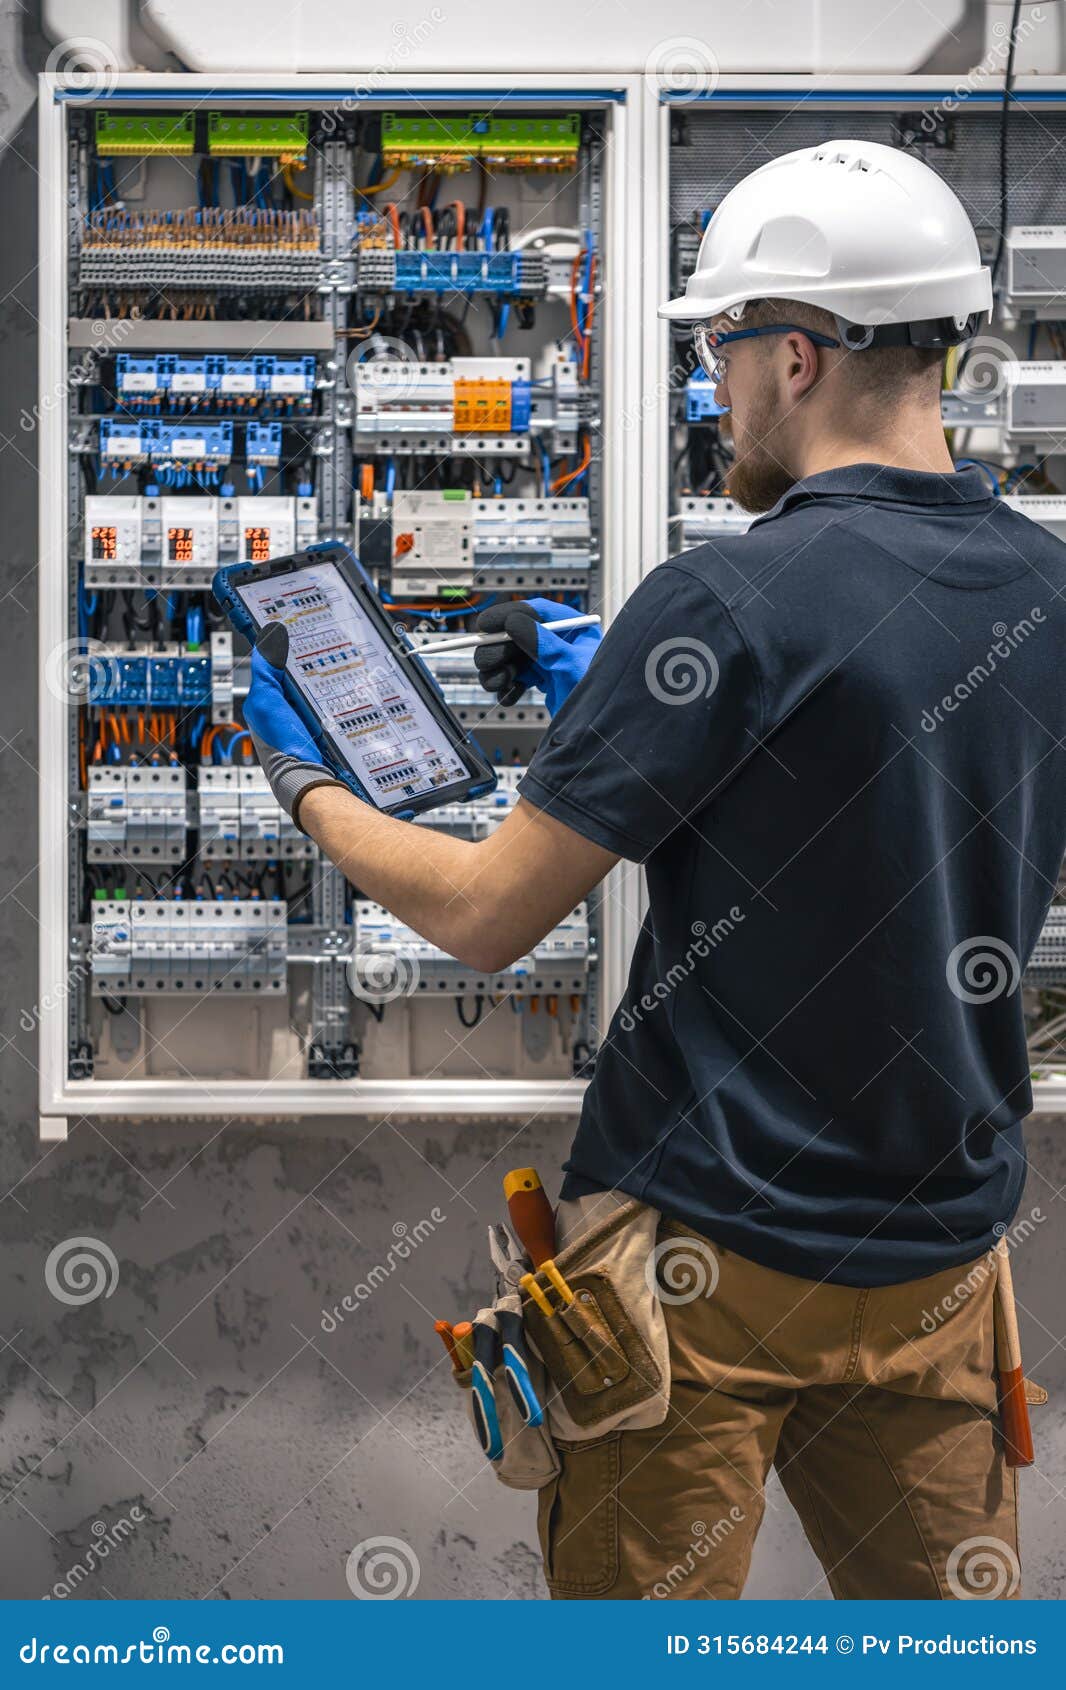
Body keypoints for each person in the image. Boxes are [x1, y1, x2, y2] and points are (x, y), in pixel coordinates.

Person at [245, 139, 1064, 1600]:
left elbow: (485, 914)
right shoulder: (1044, 589)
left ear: (797, 355)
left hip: (699, 1271)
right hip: (938, 1263)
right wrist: (635, 688)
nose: (713, 386)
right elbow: (877, 755)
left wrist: (304, 782)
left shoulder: (726, 601)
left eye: (724, 349)